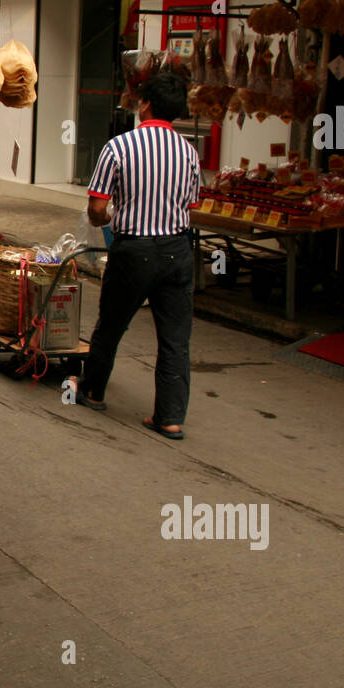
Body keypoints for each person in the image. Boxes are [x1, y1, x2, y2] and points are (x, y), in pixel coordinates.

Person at [72, 73, 201, 440]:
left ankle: (93, 391)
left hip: (134, 250)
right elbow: (190, 204)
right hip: (177, 250)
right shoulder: (189, 152)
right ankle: (170, 418)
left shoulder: (119, 147)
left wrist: (110, 217)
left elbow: (97, 208)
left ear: (145, 104)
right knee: (176, 337)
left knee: (111, 324)